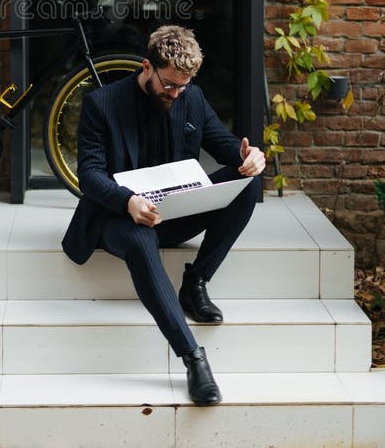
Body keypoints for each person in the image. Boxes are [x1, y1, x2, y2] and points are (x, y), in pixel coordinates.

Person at [62, 24, 266, 406]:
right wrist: (127, 202)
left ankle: (195, 283)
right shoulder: (101, 104)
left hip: (173, 210)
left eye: (182, 86)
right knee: (140, 241)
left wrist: (248, 156)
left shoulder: (191, 97)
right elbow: (89, 175)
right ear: (146, 67)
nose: (175, 93)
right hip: (119, 216)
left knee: (249, 184)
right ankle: (193, 358)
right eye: (169, 85)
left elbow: (222, 145)